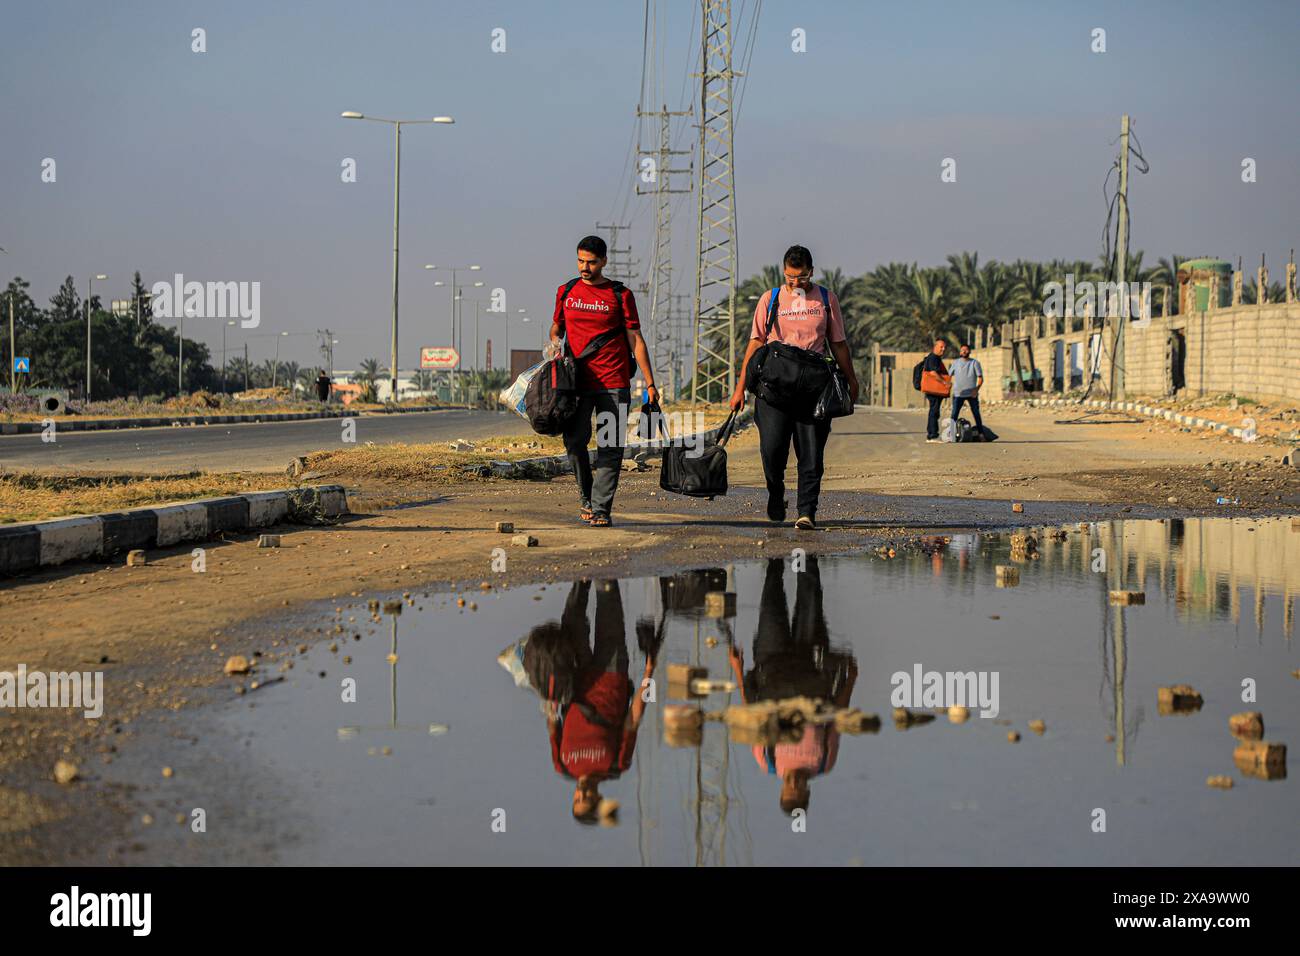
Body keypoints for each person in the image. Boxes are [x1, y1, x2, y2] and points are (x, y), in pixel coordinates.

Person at [730, 245, 859, 530]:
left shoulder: (826, 299)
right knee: (772, 450)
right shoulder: (771, 299)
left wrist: (851, 378)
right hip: (774, 390)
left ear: (811, 272)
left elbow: (837, 343)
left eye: (800, 278)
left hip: (813, 391)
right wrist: (740, 388)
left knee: (811, 455)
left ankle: (806, 512)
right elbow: (755, 342)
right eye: (789, 277)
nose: (795, 283)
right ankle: (775, 492)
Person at [727, 556, 857, 817]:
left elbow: (754, 714)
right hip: (812, 665)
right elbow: (836, 719)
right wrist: (851, 677)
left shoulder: (767, 761)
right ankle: (805, 549)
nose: (795, 784)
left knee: (772, 599)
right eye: (799, 790)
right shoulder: (823, 763)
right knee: (810, 595)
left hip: (770, 663)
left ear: (782, 790)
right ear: (808, 792)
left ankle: (776, 551)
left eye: (789, 789)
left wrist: (738, 670)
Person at [521, 578, 658, 823]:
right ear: (598, 799)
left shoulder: (562, 766)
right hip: (612, 673)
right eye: (588, 799)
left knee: (572, 619)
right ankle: (607, 566)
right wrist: (649, 673)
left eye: (577, 799)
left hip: (576, 676)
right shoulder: (616, 765)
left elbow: (553, 723)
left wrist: (549, 694)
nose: (582, 793)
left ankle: (582, 574)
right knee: (609, 607)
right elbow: (633, 718)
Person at [550, 236, 659, 527]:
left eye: (592, 262)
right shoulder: (567, 291)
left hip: (614, 381)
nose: (585, 267)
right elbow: (557, 327)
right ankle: (586, 496)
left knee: (610, 446)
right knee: (574, 442)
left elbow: (635, 339)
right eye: (580, 261)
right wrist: (554, 343)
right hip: (576, 384)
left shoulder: (620, 295)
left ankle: (600, 509)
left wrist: (650, 383)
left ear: (604, 261)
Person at [949, 344, 984, 432]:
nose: (964, 351)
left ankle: (981, 434)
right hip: (958, 394)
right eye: (962, 350)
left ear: (969, 351)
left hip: (972, 394)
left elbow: (980, 378)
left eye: (966, 350)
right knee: (954, 415)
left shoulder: (975, 363)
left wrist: (976, 389)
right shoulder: (955, 363)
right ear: (960, 352)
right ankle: (951, 434)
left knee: (976, 414)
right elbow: (948, 376)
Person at [921, 339, 949, 443]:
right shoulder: (933, 358)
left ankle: (932, 435)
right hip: (933, 390)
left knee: (934, 412)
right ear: (935, 346)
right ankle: (932, 435)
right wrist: (944, 382)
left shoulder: (936, 358)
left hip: (935, 390)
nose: (943, 349)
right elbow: (933, 373)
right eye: (941, 347)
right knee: (934, 412)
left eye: (944, 347)